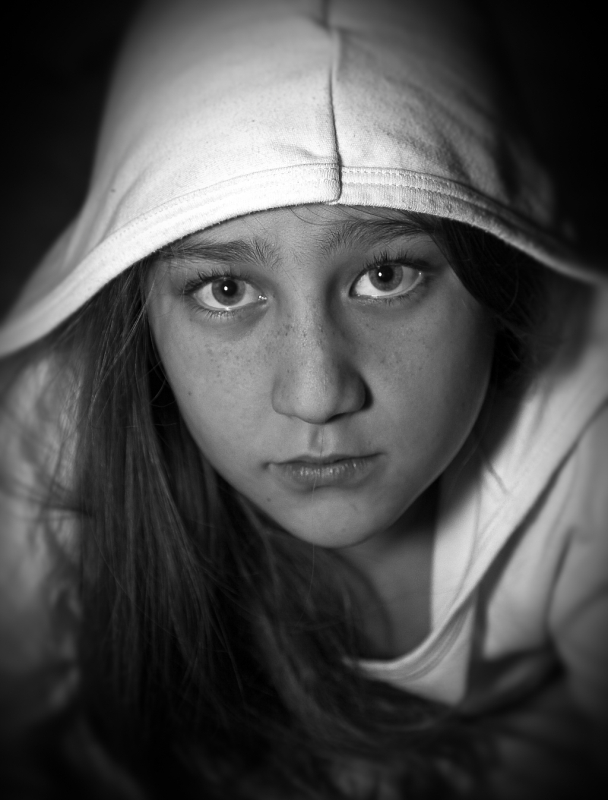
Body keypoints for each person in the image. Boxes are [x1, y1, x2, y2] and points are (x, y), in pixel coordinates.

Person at [1, 0, 606, 797]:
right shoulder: (60, 436)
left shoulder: (586, 433)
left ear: (500, 278)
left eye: (385, 275)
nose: (317, 396)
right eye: (225, 289)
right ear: (141, 307)